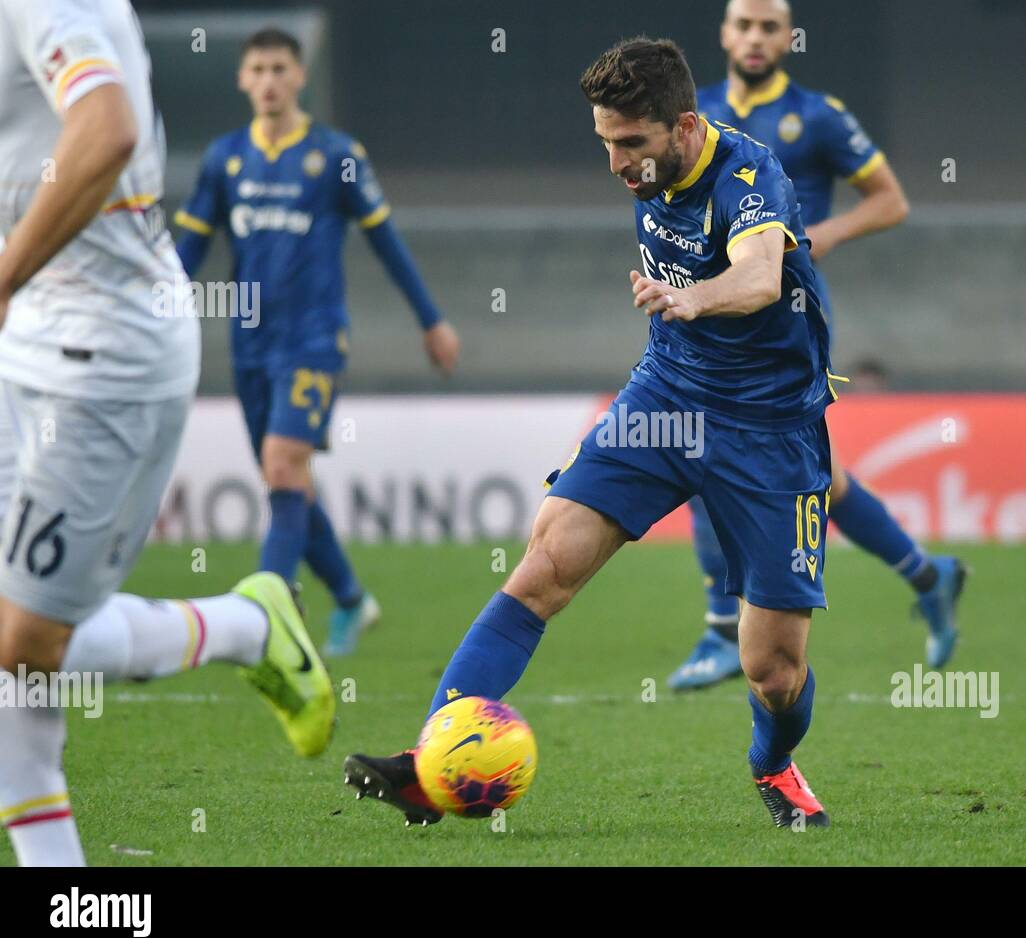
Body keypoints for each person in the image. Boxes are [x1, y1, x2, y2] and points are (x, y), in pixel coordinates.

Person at [344, 36, 839, 828]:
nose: (615, 163)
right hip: (666, 397)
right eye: (604, 142)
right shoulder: (647, 161)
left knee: (773, 670)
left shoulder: (750, 175)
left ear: (684, 127)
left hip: (768, 426)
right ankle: (430, 760)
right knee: (546, 561)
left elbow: (759, 276)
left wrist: (695, 299)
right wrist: (681, 317)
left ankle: (773, 764)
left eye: (630, 144)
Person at [0, 0, 333, 867]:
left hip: (98, 353)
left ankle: (248, 627)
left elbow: (104, 128)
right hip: (28, 337)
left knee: (25, 642)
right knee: (11, 656)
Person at [669, 0, 965, 691]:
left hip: (787, 316)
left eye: (769, 26)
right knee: (812, 473)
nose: (754, 37)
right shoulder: (695, 112)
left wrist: (823, 235)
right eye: (743, 24)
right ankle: (928, 572)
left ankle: (720, 627)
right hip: (712, 311)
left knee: (702, 443)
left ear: (788, 37)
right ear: (723, 33)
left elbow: (890, 200)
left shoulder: (818, 115)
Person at [173, 27, 461, 657]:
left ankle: (266, 615)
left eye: (281, 67)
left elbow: (387, 242)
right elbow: (186, 253)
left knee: (281, 465)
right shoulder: (223, 159)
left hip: (314, 341)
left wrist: (431, 320)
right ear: (242, 79)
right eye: (258, 69)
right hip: (249, 343)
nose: (270, 80)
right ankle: (354, 600)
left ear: (299, 76)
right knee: (289, 482)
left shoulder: (336, 156)